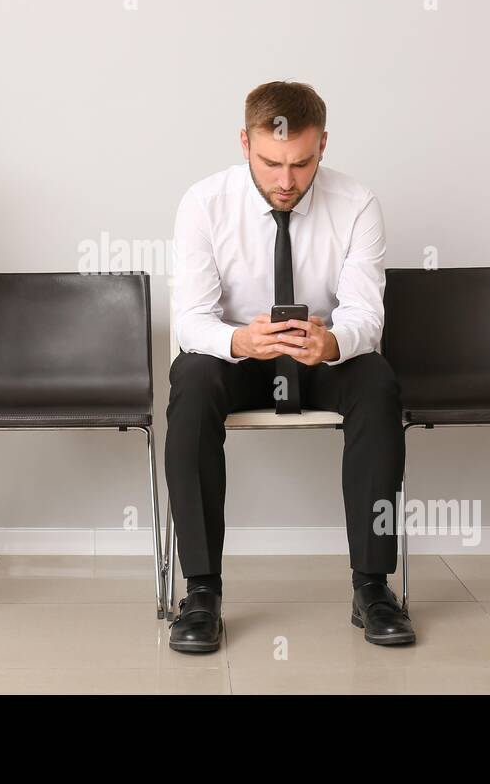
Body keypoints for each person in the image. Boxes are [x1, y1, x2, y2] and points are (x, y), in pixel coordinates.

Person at [165, 80, 413, 652]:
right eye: (271, 162)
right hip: (241, 354)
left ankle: (373, 588)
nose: (285, 181)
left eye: (300, 164)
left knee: (376, 380)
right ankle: (202, 591)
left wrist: (333, 343)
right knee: (192, 379)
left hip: (319, 354)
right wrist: (240, 341)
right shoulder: (203, 203)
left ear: (323, 145)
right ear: (244, 142)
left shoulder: (357, 205)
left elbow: (366, 317)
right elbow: (191, 322)